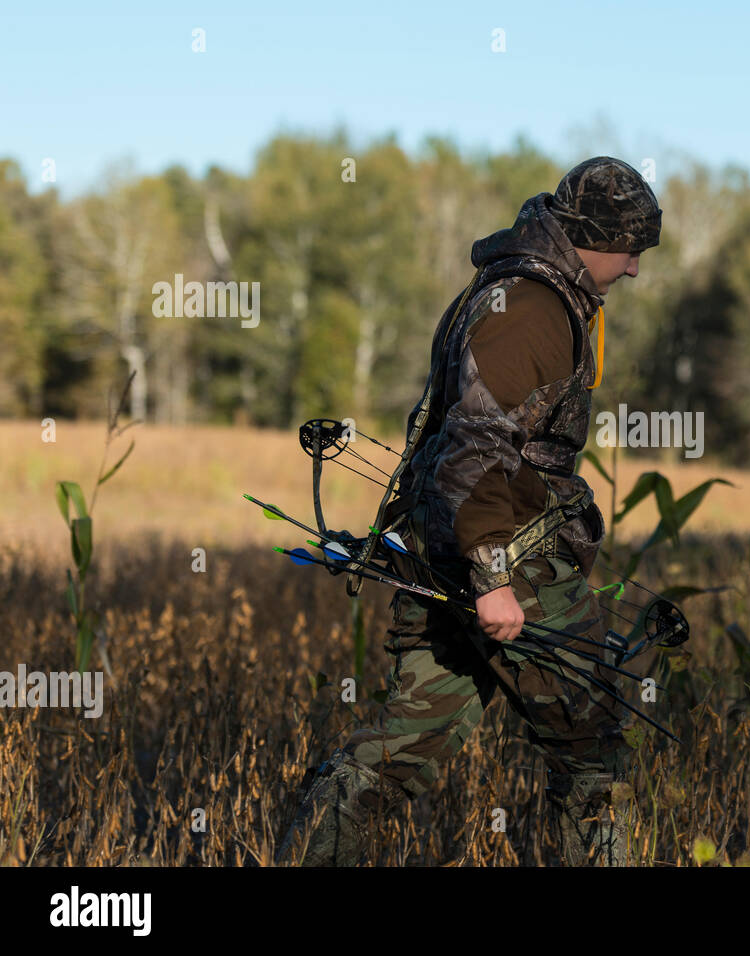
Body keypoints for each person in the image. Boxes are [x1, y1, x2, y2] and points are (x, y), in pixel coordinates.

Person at [276, 156, 662, 867]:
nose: (634, 268)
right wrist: (492, 579)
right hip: (508, 554)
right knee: (590, 749)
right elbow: (478, 446)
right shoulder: (533, 309)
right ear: (591, 238)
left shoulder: (510, 292)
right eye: (631, 249)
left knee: (412, 734)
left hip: (447, 542)